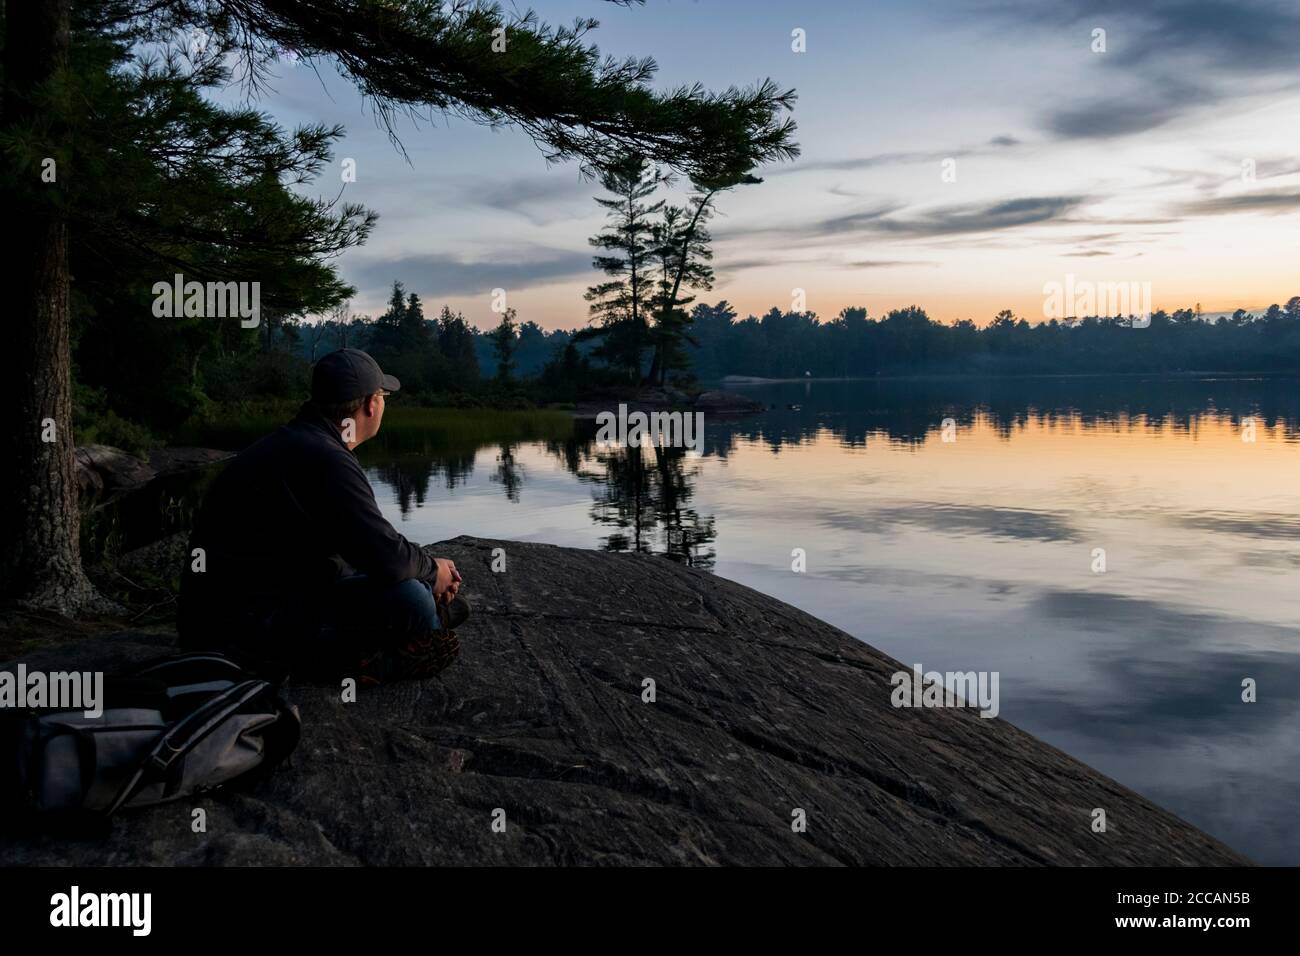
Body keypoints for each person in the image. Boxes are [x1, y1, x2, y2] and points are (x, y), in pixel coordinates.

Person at [178, 348, 467, 684]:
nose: (383, 404)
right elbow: (387, 559)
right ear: (370, 404)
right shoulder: (327, 459)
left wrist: (423, 570)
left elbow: (363, 546)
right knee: (412, 598)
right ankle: (356, 661)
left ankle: (408, 630)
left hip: (227, 623)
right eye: (383, 395)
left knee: (417, 592)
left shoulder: (299, 443)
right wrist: (432, 571)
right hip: (242, 638)